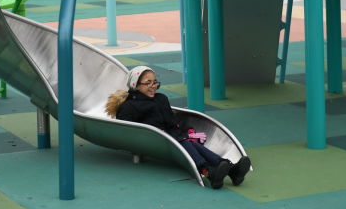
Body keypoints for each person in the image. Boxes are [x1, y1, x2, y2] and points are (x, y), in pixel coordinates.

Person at [106, 65, 251, 189]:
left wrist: (181, 133)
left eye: (155, 82)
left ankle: (231, 170)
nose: (153, 86)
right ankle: (208, 171)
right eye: (147, 83)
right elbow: (125, 128)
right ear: (135, 85)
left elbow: (170, 120)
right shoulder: (130, 106)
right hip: (154, 139)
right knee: (184, 143)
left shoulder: (161, 98)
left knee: (189, 143)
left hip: (172, 136)